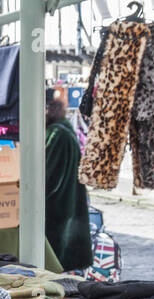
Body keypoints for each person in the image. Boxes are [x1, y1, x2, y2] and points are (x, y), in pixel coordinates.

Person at [44, 89, 92, 272]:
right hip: (65, 213)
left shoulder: (57, 134)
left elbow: (48, 179)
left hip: (59, 217)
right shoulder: (60, 130)